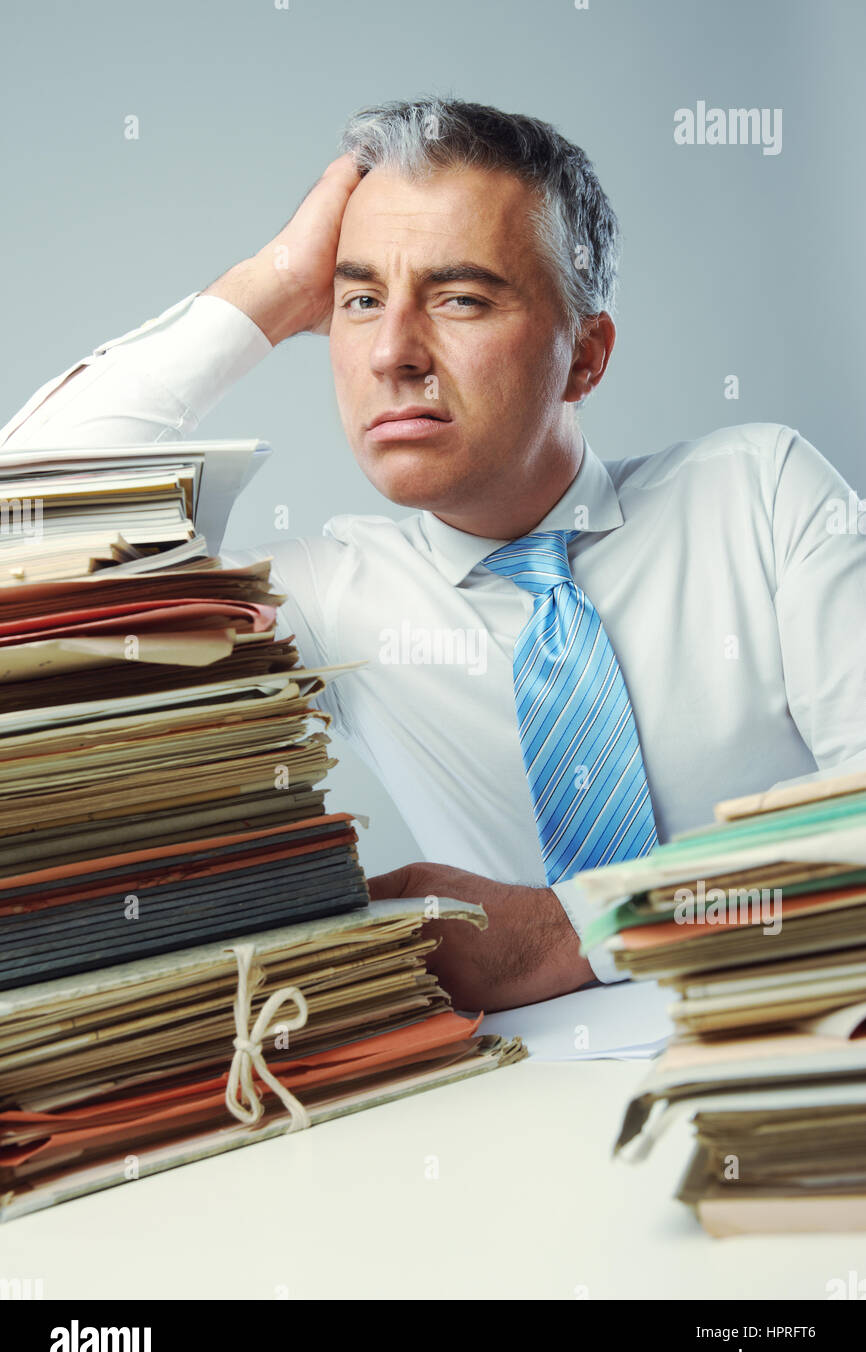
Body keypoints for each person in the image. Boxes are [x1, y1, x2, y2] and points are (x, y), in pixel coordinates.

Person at [2, 97, 864, 1012]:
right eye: (361, 300)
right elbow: (26, 528)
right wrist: (270, 285)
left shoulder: (761, 495)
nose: (391, 354)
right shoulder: (326, 602)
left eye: (459, 297)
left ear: (585, 355)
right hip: (511, 1120)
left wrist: (576, 928)